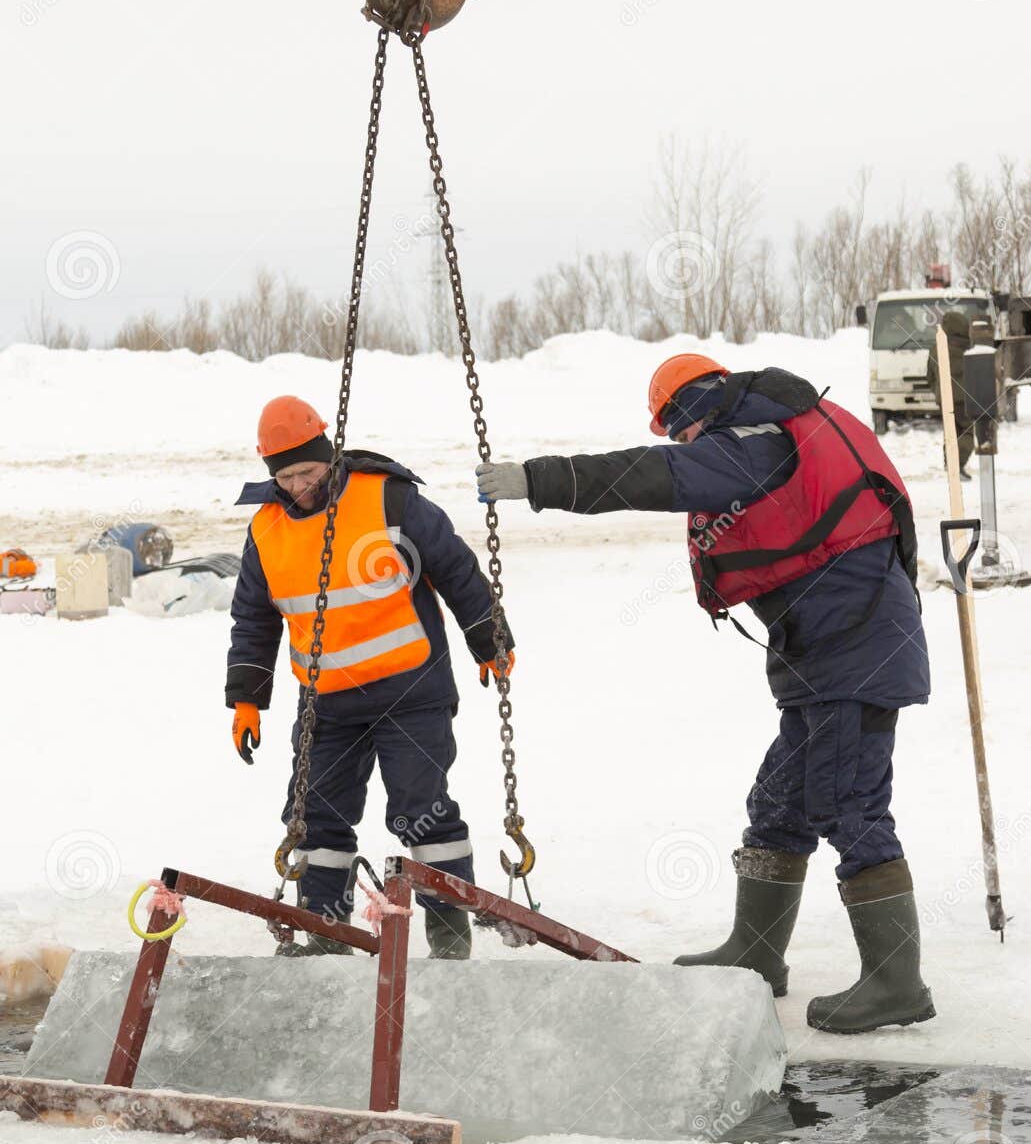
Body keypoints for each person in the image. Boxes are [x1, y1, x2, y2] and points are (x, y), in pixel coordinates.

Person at [477, 353, 934, 1032]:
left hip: (854, 649)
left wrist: (536, 480)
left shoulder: (753, 439)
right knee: (778, 804)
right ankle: (755, 952)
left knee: (850, 803)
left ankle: (896, 984)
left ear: (689, 411)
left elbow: (652, 475)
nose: (680, 444)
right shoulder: (772, 426)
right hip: (829, 651)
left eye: (675, 430)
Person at [227, 395, 514, 958]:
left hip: (410, 690)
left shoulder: (390, 499)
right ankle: (325, 933)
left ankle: (448, 932)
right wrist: (246, 700)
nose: (299, 486)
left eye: (308, 472)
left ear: (329, 459)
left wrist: (490, 639)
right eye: (286, 477)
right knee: (316, 818)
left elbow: (455, 568)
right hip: (327, 704)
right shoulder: (266, 530)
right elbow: (253, 618)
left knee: (420, 808)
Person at [926, 308, 974, 479]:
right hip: (965, 399)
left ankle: (950, 465)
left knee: (950, 432)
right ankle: (958, 466)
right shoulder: (970, 347)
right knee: (969, 431)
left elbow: (930, 376)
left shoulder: (936, 348)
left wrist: (938, 392)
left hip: (944, 400)